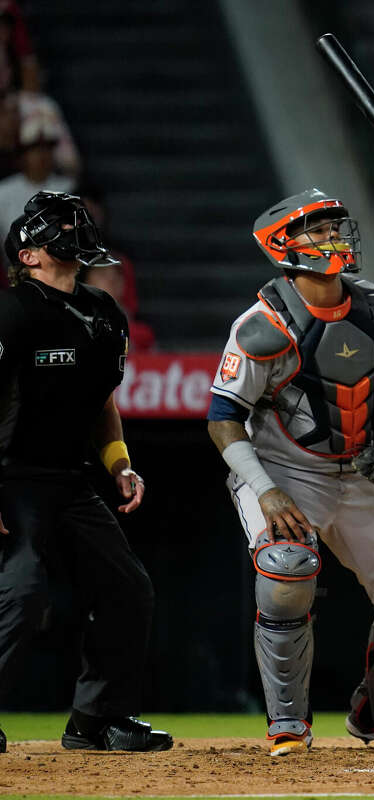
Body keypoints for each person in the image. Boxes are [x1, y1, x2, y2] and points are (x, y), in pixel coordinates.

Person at [205, 188, 374, 756]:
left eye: (337, 226)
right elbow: (222, 420)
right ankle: (288, 723)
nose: (334, 237)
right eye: (319, 229)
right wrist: (263, 491)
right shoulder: (261, 326)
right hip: (283, 471)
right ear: (283, 245)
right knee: (287, 570)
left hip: (357, 469)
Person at [0, 191, 171, 752]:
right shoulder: (12, 312)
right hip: (11, 477)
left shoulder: (103, 312)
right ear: (28, 256)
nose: (71, 232)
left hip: (69, 479)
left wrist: (120, 465)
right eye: (55, 230)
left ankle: (97, 720)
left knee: (128, 589)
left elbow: (103, 404)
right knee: (22, 595)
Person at [0, 117, 73, 240]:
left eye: (47, 149)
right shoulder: (3, 192)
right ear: (22, 155)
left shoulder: (69, 188)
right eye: (35, 150)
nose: (42, 156)